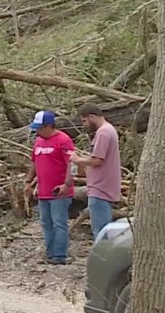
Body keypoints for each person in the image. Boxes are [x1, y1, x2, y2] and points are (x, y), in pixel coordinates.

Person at [25, 110, 77, 265]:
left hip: (59, 190)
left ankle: (60, 255)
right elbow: (34, 162)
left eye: (40, 128)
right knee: (46, 223)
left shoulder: (63, 140)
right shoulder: (39, 142)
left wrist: (67, 184)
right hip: (43, 191)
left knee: (59, 222)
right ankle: (50, 252)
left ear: (49, 126)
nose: (38, 132)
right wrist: (28, 181)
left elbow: (72, 163)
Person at [72, 103, 122, 239]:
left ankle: (103, 258)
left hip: (101, 188)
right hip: (103, 186)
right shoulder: (108, 130)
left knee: (101, 231)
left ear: (92, 117)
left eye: (84, 121)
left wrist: (77, 159)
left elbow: (97, 160)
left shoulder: (103, 132)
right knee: (102, 228)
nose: (84, 125)